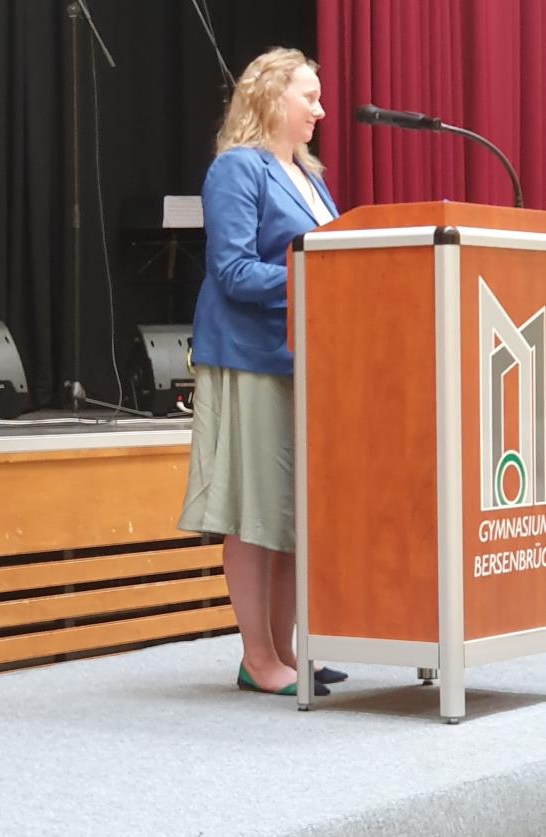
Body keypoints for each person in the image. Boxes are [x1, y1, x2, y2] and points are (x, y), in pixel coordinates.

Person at [178, 47, 347, 696]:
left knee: (292, 513)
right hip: (248, 358)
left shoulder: (306, 173)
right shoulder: (237, 169)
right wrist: (324, 279)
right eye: (309, 96)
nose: (320, 110)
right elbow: (233, 270)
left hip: (302, 359)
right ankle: (259, 656)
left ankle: (288, 650)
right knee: (255, 512)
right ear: (271, 96)